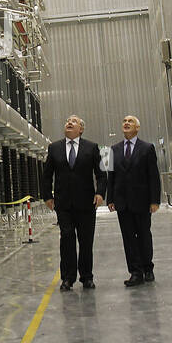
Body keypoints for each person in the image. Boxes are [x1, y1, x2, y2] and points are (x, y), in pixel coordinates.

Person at [41, 115, 106, 291]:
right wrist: (47, 196)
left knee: (86, 242)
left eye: (74, 121)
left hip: (86, 203)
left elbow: (101, 174)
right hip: (63, 205)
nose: (69, 122)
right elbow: (47, 175)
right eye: (68, 121)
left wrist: (100, 193)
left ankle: (86, 277)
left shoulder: (91, 147)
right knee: (67, 240)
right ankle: (68, 278)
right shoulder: (54, 148)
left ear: (81, 129)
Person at [106, 115, 161, 286]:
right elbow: (111, 176)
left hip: (142, 201)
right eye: (124, 121)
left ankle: (148, 268)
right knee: (128, 238)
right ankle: (135, 272)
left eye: (130, 122)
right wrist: (110, 199)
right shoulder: (113, 149)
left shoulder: (147, 148)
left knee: (144, 234)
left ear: (137, 128)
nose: (126, 123)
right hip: (123, 202)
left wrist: (155, 200)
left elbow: (154, 176)